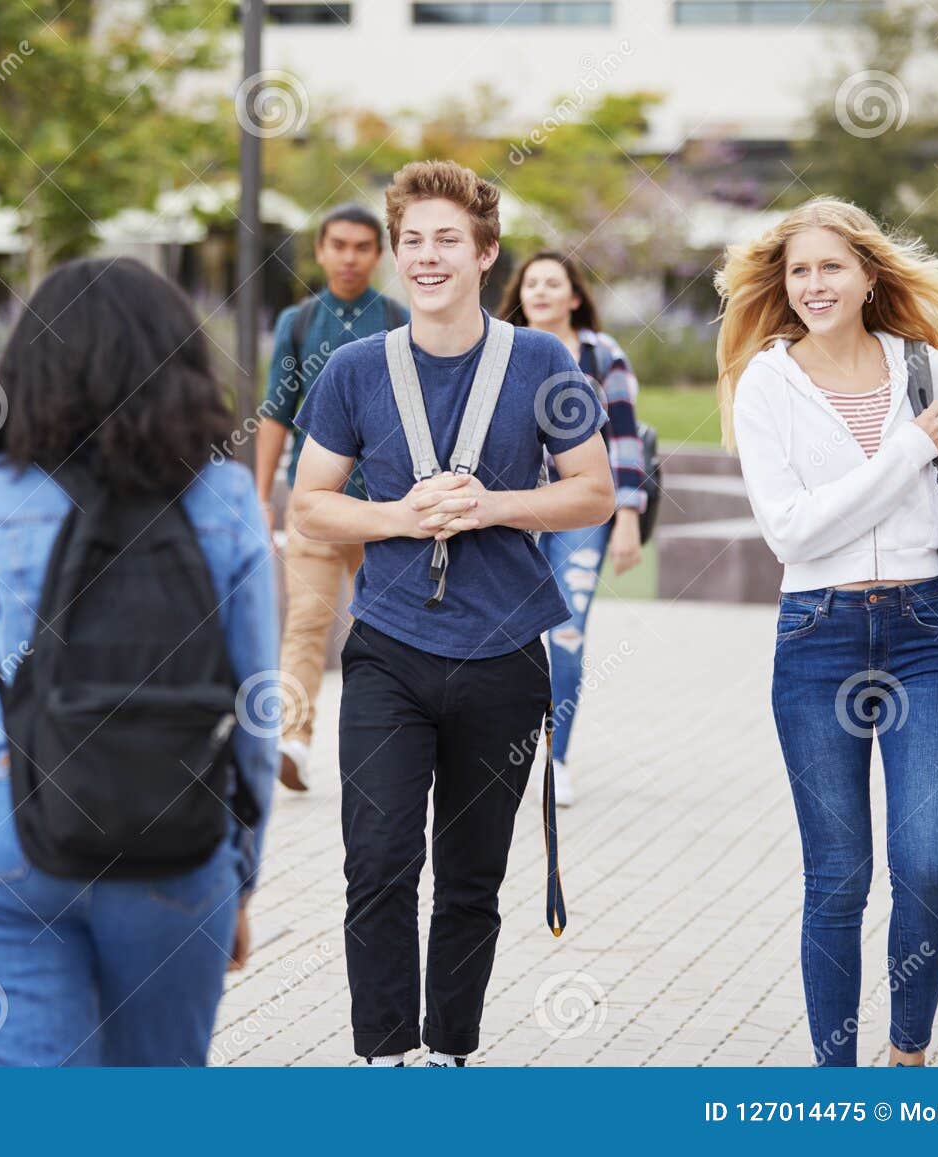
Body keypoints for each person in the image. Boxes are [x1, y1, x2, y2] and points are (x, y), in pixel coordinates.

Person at [0, 257, 277, 1067]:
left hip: (7, 833)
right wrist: (238, 873)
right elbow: (258, 714)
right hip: (174, 840)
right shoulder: (227, 498)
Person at [291, 160, 615, 1067]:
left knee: (472, 877)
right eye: (413, 241)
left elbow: (593, 492)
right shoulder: (355, 369)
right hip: (390, 649)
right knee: (378, 862)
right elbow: (309, 505)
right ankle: (383, 1058)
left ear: (486, 252)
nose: (426, 257)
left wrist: (494, 503)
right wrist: (399, 516)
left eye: (447, 241)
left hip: (505, 651)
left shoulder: (543, 361)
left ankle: (449, 1055)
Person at [714, 197, 938, 1067]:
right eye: (799, 272)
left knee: (927, 864)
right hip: (817, 634)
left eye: (831, 267)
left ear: (867, 275)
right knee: (839, 879)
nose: (814, 284)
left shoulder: (925, 371)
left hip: (925, 630)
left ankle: (908, 1054)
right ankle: (836, 1083)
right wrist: (906, 453)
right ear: (782, 287)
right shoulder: (765, 384)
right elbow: (792, 530)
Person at [255, 204, 407, 793]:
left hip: (388, 509)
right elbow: (275, 412)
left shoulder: (398, 318)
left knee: (388, 630)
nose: (349, 257)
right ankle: (293, 740)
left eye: (363, 246)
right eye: (338, 245)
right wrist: (262, 494)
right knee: (306, 623)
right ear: (320, 251)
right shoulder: (298, 322)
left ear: (378, 254)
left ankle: (393, 745)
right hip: (315, 502)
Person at [498, 252, 645, 806]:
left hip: (583, 515)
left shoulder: (603, 355)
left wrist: (627, 516)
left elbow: (625, 440)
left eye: (552, 283)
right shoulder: (500, 350)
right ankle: (506, 749)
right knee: (507, 630)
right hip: (511, 505)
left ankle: (555, 758)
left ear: (574, 296)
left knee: (567, 631)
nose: (539, 291)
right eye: (530, 282)